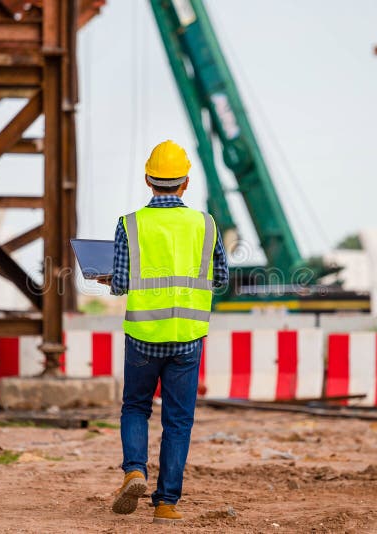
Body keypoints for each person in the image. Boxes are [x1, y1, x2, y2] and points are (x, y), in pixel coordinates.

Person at [100, 140, 228, 524]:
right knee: (177, 419)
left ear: (147, 180)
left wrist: (109, 279)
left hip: (143, 335)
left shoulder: (130, 223)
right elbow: (220, 278)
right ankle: (167, 504)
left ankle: (135, 471)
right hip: (187, 336)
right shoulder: (206, 224)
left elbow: (121, 283)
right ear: (185, 182)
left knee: (136, 407)